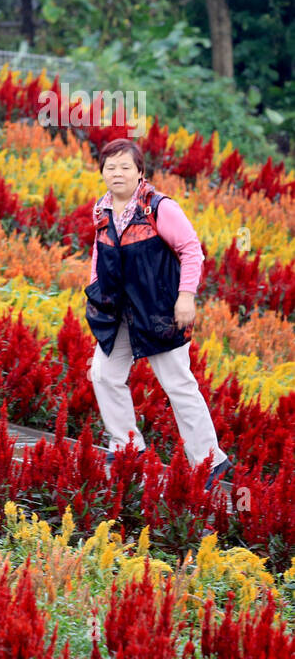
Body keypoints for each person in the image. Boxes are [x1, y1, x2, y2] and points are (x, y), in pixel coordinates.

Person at [85, 138, 231, 490]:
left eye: (124, 166)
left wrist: (186, 298)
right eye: (110, 167)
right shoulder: (102, 209)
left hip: (159, 309)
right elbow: (99, 250)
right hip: (118, 310)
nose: (117, 173)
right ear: (102, 172)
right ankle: (127, 446)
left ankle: (210, 460)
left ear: (139, 171)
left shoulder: (159, 207)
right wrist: (94, 288)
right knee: (103, 374)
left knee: (178, 384)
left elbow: (191, 250)